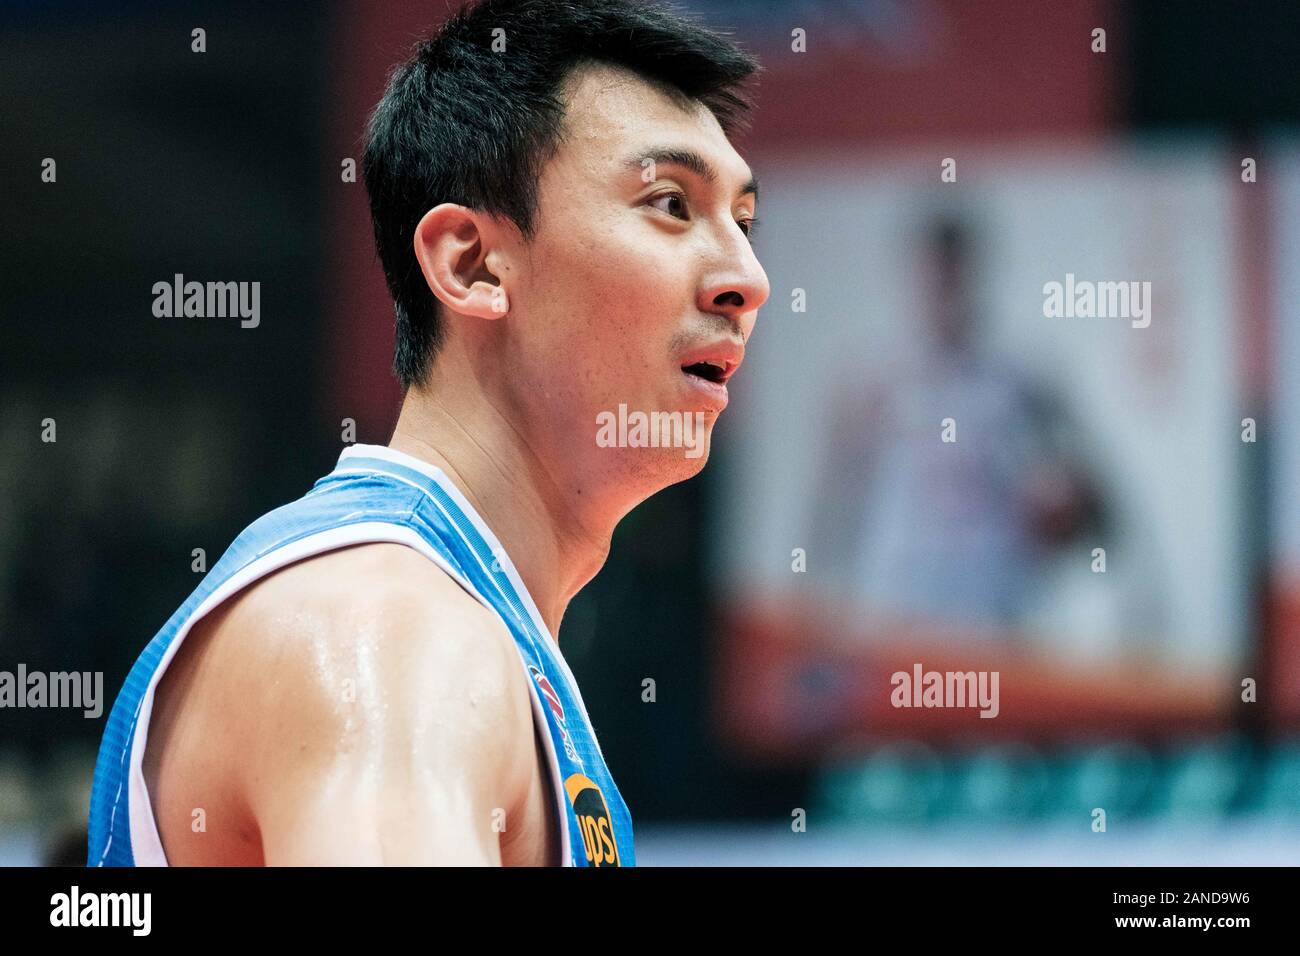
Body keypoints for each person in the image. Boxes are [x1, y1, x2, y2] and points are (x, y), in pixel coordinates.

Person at [87, 0, 768, 866]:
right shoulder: (393, 632)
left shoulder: (455, 618)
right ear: (471, 264)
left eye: (742, 224)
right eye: (670, 203)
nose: (747, 279)